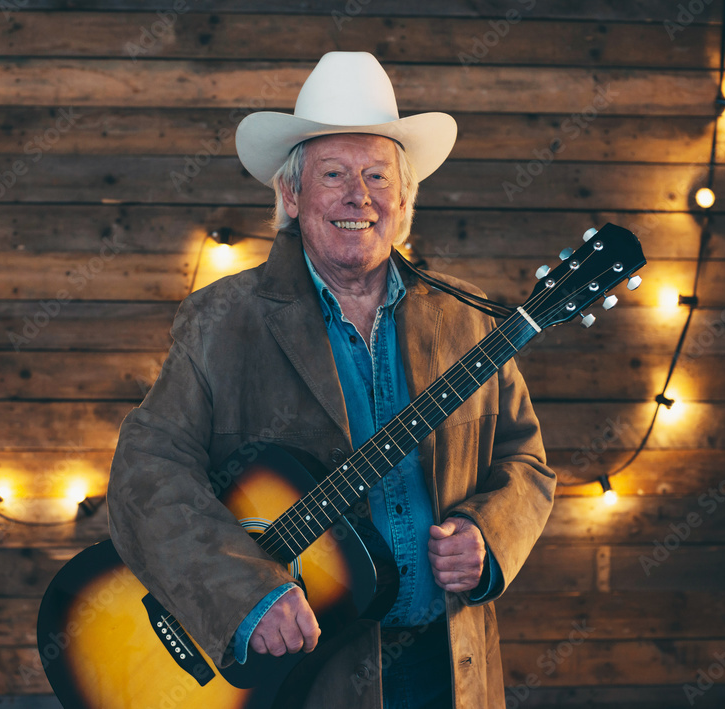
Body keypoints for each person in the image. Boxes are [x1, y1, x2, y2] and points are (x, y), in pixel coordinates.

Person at [108, 51, 556, 709]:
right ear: (291, 195)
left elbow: (527, 459)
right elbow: (145, 476)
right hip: (306, 680)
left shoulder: (467, 317)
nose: (359, 196)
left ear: (404, 198)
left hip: (450, 664)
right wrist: (245, 593)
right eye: (334, 174)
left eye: (378, 174)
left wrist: (490, 537)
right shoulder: (222, 320)